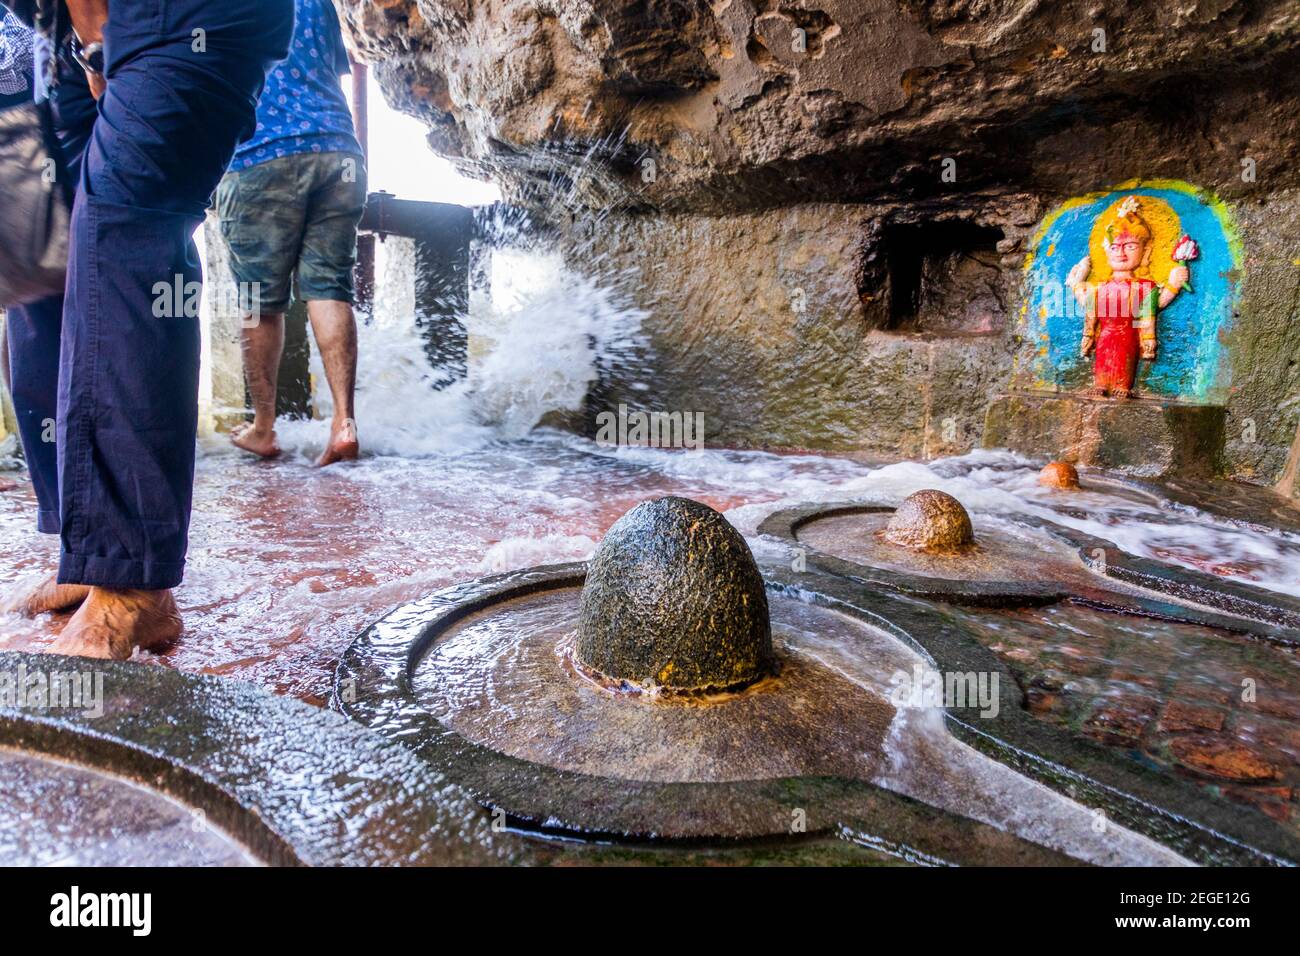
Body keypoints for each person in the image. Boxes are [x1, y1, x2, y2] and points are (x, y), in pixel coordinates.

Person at [1, 0, 294, 659]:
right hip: (67, 37)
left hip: (172, 18)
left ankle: (134, 587)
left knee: (123, 226)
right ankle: (88, 548)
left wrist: (98, 42)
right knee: (50, 246)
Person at [215, 0, 366, 466]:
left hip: (261, 152)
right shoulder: (316, 2)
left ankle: (263, 428)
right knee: (329, 288)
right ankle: (343, 423)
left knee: (260, 303)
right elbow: (336, 68)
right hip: (338, 151)